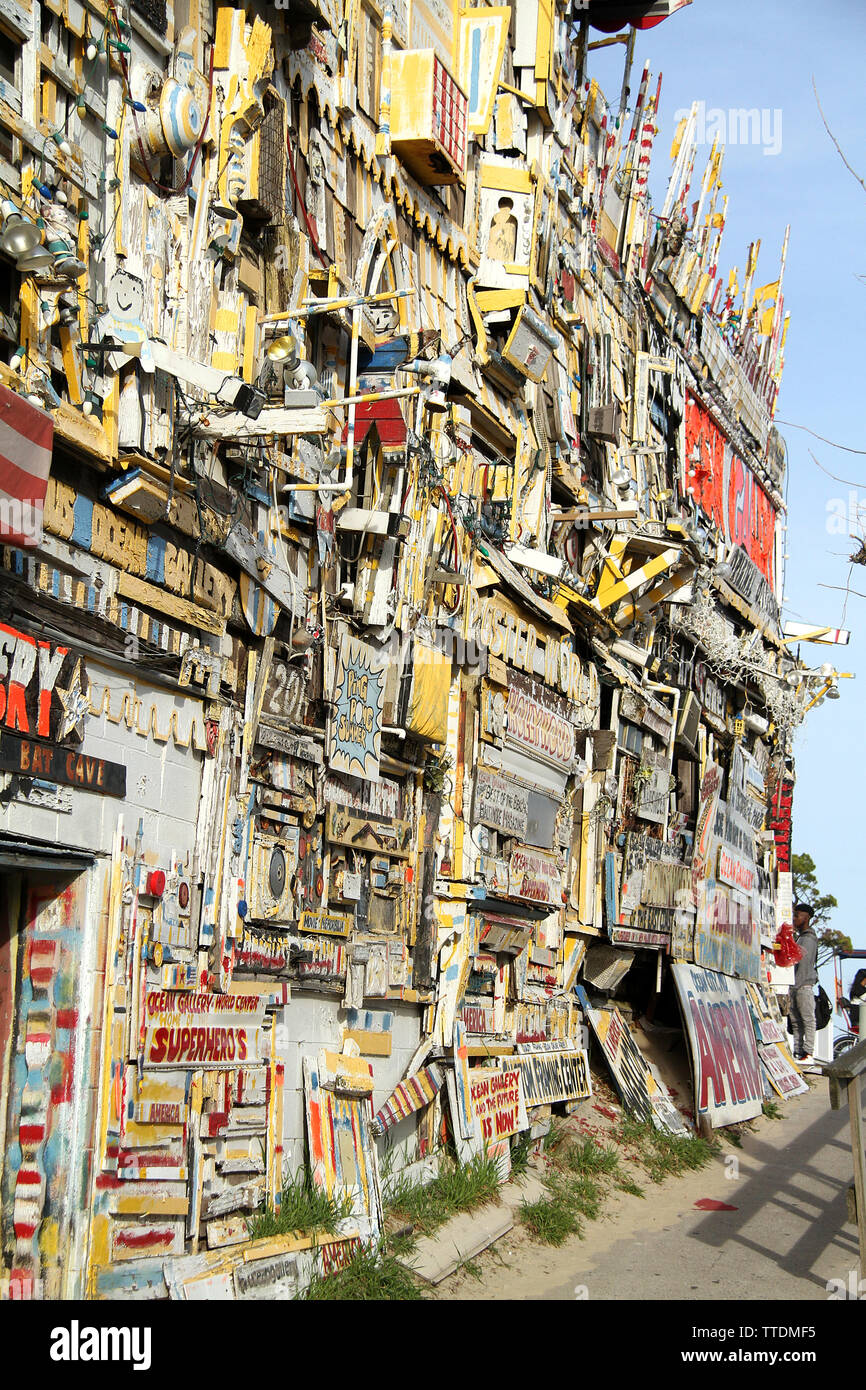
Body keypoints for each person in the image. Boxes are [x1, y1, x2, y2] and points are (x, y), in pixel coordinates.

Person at [788, 902, 819, 1068]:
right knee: (796, 1022)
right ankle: (798, 1051)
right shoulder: (801, 936)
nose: (794, 918)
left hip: (803, 985)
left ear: (806, 917)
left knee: (807, 1020)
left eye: (797, 915)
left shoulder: (808, 938)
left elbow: (803, 963)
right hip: (796, 985)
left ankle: (808, 1053)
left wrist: (796, 985)